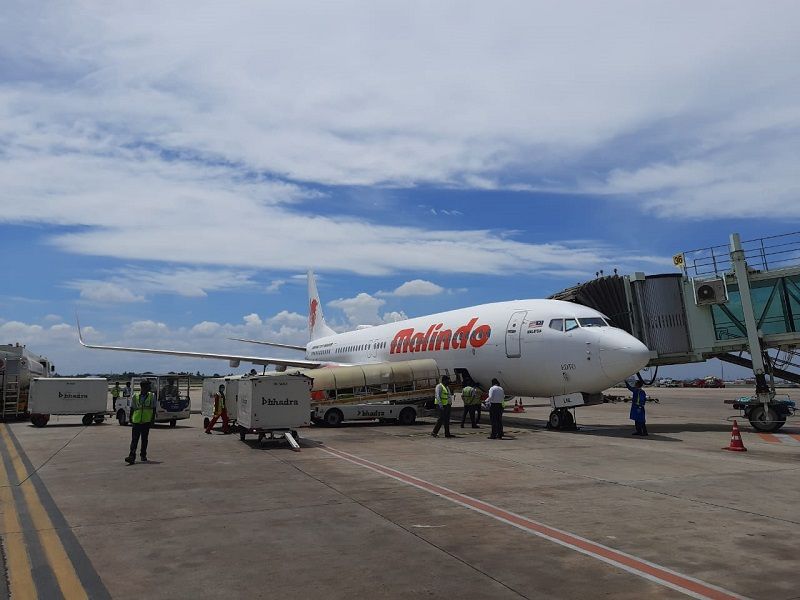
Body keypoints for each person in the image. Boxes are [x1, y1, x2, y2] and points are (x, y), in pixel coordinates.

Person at [125, 380, 155, 464]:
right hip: (136, 421)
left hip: (146, 421)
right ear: (143, 387)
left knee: (144, 439)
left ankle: (143, 455)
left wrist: (152, 420)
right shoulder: (135, 396)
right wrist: (131, 418)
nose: (150, 388)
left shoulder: (152, 396)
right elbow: (132, 408)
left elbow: (153, 408)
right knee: (134, 440)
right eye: (148, 386)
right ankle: (132, 456)